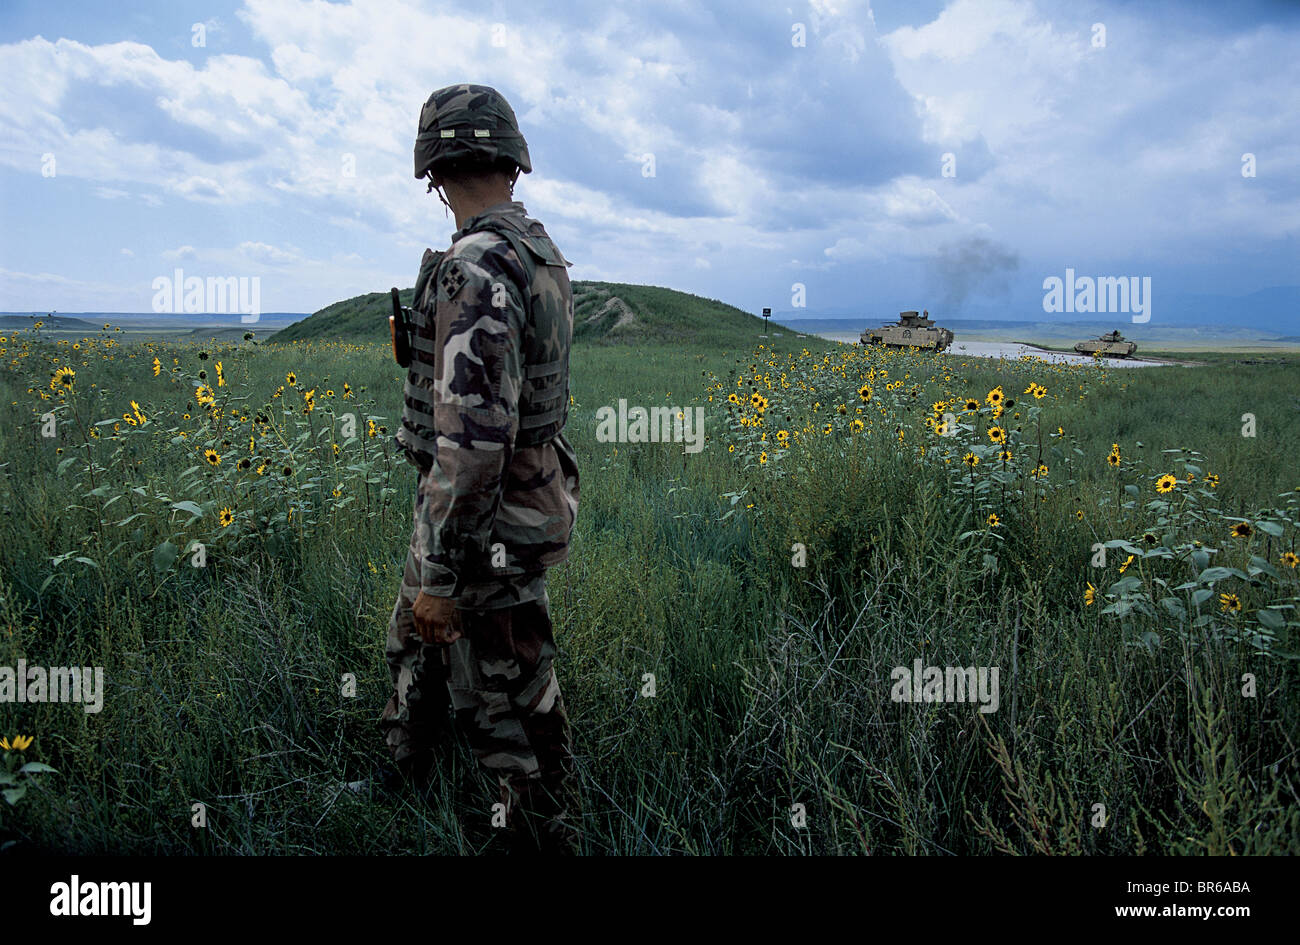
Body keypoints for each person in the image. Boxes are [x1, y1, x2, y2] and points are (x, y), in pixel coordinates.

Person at [381, 83, 580, 854]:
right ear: (512, 162)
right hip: (497, 503)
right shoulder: (536, 247)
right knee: (417, 648)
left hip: (482, 515)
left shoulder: (476, 265)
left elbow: (472, 442)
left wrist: (441, 573)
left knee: (506, 683)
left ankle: (532, 829)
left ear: (434, 169)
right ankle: (408, 771)